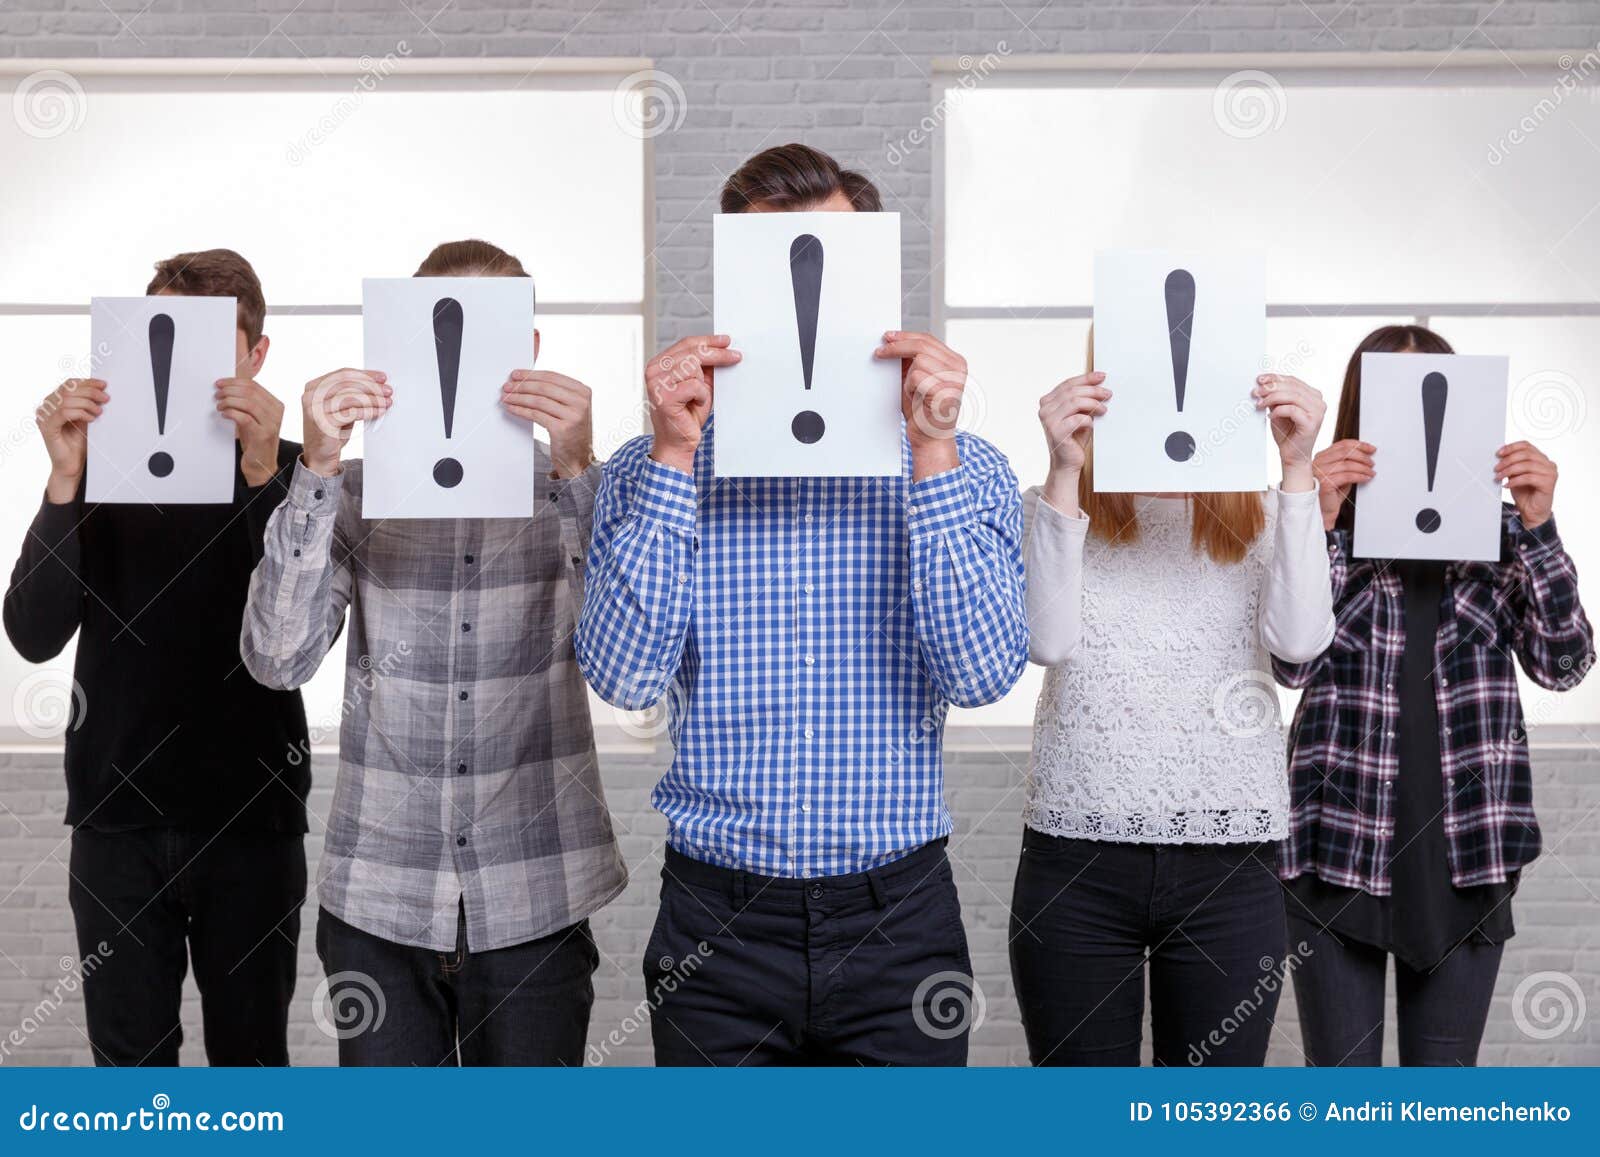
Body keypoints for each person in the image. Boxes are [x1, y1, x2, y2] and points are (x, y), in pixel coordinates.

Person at [576, 144, 1028, 1066]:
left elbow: (982, 674)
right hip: (719, 920)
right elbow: (623, 674)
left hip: (897, 916)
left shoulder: (965, 467)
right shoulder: (649, 468)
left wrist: (931, 453)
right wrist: (670, 456)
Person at [240, 239, 626, 1066]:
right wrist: (314, 463)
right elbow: (277, 659)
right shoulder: (346, 493)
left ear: (527, 351)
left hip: (537, 893)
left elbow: (629, 663)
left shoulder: (582, 489)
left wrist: (576, 471)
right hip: (381, 901)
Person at [3, 249, 309, 1066]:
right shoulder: (98, 467)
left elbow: (299, 638)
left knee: (253, 1065)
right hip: (116, 821)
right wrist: (64, 477)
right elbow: (32, 631)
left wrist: (259, 471)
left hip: (251, 820)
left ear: (256, 354)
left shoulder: (293, 471)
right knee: (130, 1072)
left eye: (213, 345)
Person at [1273, 325, 1594, 1066]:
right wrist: (1314, 514)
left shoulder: (1505, 531)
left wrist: (1541, 523)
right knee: (1341, 1098)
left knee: (1443, 1105)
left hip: (1469, 851)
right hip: (1334, 848)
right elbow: (1286, 667)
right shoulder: (1314, 523)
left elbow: (1565, 663)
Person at [1011, 340, 1334, 1066]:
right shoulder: (1053, 506)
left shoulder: (1263, 515)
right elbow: (1048, 641)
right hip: (1076, 862)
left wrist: (1297, 469)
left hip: (1229, 870)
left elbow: (1300, 641)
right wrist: (1067, 469)